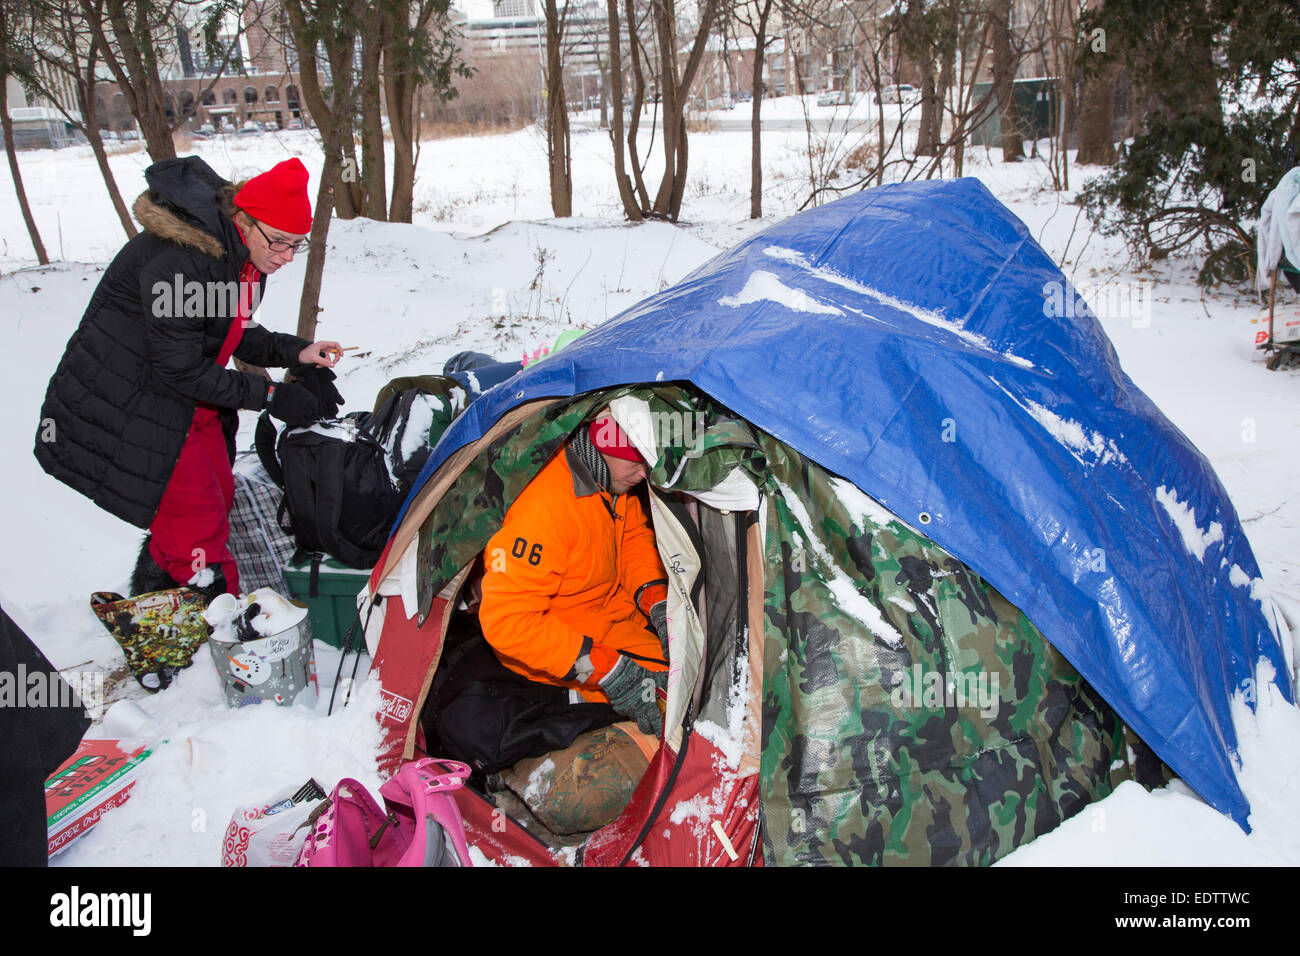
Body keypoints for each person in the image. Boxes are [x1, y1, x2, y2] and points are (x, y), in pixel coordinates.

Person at [34, 156, 342, 599]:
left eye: (298, 245)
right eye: (278, 242)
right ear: (243, 219)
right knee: (195, 525)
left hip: (189, 400)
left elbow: (229, 331)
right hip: (139, 405)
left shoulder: (243, 256)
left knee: (215, 501)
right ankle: (211, 631)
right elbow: (177, 366)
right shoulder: (184, 262)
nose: (287, 257)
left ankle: (155, 603)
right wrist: (270, 395)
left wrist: (296, 350)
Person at [477, 414, 671, 737]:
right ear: (601, 442)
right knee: (676, 694)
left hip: (609, 620)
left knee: (696, 667)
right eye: (636, 462)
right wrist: (609, 672)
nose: (643, 474)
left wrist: (659, 604)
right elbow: (507, 622)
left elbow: (632, 539)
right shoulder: (544, 505)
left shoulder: (607, 478)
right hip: (561, 650)